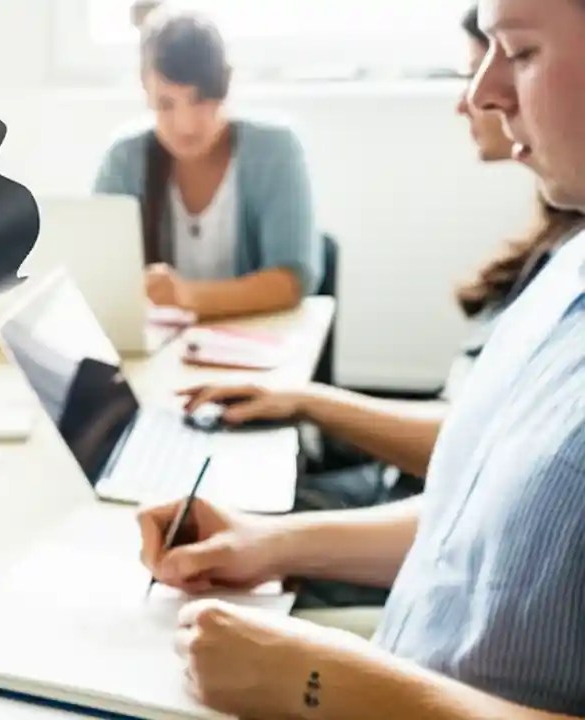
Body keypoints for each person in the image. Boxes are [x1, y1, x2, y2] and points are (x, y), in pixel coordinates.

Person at [138, 0, 585, 716]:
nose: (481, 94)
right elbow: (479, 528)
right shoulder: (567, 269)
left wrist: (320, 684)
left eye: (523, 52)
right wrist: (269, 542)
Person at [93, 9, 322, 321]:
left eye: (200, 100)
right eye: (166, 104)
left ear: (225, 86)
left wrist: (188, 297)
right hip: (159, 357)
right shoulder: (124, 160)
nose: (186, 125)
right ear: (145, 91)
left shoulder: (275, 150)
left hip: (256, 345)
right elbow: (100, 277)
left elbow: (292, 279)